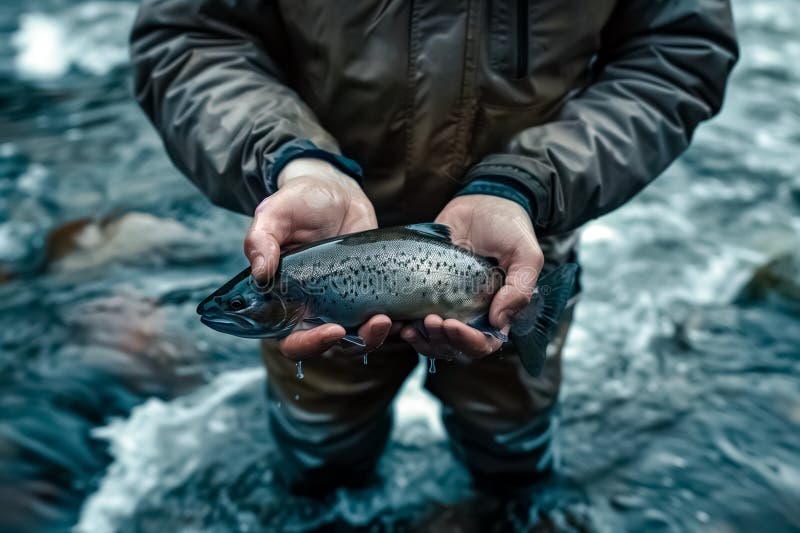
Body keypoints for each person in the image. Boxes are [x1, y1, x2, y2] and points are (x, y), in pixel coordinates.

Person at [130, 0, 737, 495]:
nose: (231, 312)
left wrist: (529, 182)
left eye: (242, 308)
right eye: (242, 308)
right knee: (318, 459)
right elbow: (190, 38)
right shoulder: (293, 280)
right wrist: (291, 157)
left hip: (519, 242)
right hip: (315, 225)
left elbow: (678, 55)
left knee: (510, 456)